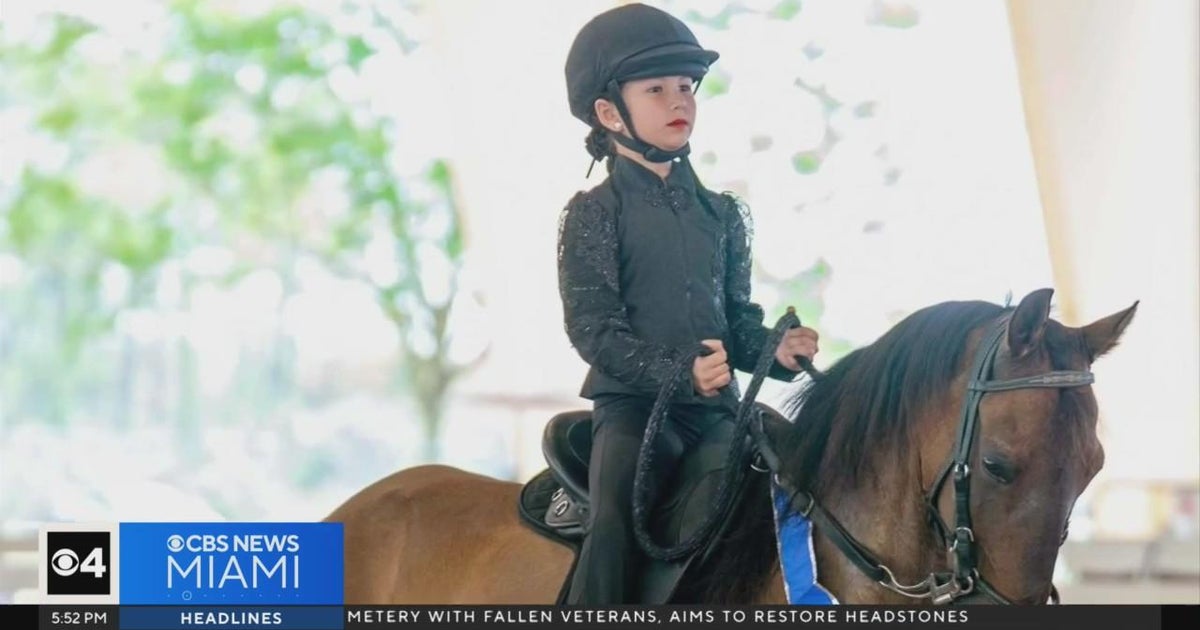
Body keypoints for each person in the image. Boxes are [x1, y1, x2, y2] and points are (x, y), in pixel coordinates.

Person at [557, 3, 820, 605]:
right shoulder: (594, 214)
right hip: (632, 411)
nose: (679, 102)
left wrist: (775, 350)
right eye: (657, 90)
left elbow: (736, 320)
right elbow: (593, 330)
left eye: (686, 88)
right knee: (613, 524)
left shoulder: (722, 215)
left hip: (717, 414)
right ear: (608, 112)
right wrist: (680, 370)